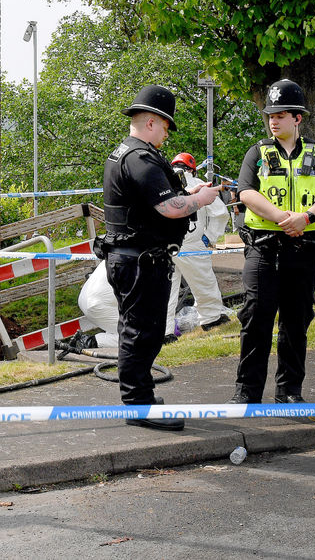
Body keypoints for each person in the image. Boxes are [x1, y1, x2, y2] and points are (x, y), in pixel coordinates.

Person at [94, 85, 224, 431]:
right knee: (142, 332)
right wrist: (202, 199)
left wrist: (189, 193)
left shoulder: (127, 153)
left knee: (143, 330)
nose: (167, 134)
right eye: (166, 127)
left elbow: (155, 200)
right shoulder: (140, 158)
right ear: (152, 121)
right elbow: (168, 207)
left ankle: (142, 396)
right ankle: (139, 405)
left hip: (134, 258)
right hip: (140, 261)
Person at [231, 79, 315, 404]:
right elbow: (246, 192)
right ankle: (247, 395)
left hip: (305, 250)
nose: (273, 120)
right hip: (264, 249)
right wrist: (282, 217)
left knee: (296, 322)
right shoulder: (258, 153)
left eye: (280, 114)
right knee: (256, 320)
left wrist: (305, 219)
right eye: (270, 115)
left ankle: (289, 392)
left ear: (298, 118)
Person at [163, 152, 234, 340]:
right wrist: (209, 237)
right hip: (191, 243)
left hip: (166, 243)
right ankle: (211, 319)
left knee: (167, 288)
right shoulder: (197, 184)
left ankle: (165, 332)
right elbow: (219, 213)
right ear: (193, 169)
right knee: (203, 281)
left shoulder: (165, 183)